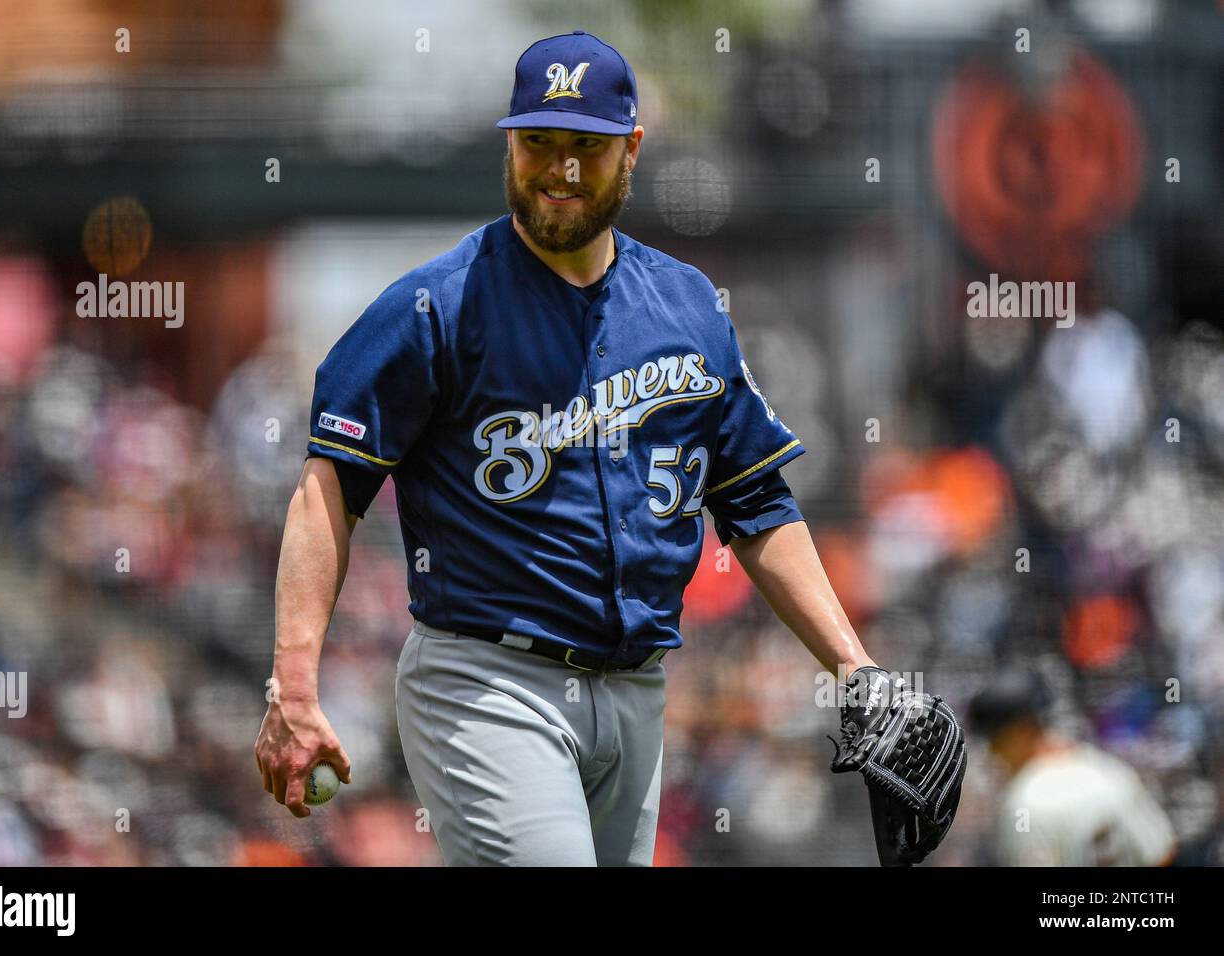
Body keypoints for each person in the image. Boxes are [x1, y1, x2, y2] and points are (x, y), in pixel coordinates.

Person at [256, 30, 881, 866]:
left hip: (637, 690)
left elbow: (756, 501)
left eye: (583, 145)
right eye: (536, 141)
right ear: (508, 144)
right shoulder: (436, 307)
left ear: (630, 150)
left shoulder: (688, 306)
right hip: (487, 682)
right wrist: (293, 685)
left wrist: (856, 670)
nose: (557, 167)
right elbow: (327, 487)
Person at [968, 667, 1177, 866]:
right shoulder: (1112, 773)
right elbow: (1163, 855)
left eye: (995, 742)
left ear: (1021, 731)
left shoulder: (1024, 804)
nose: (992, 754)